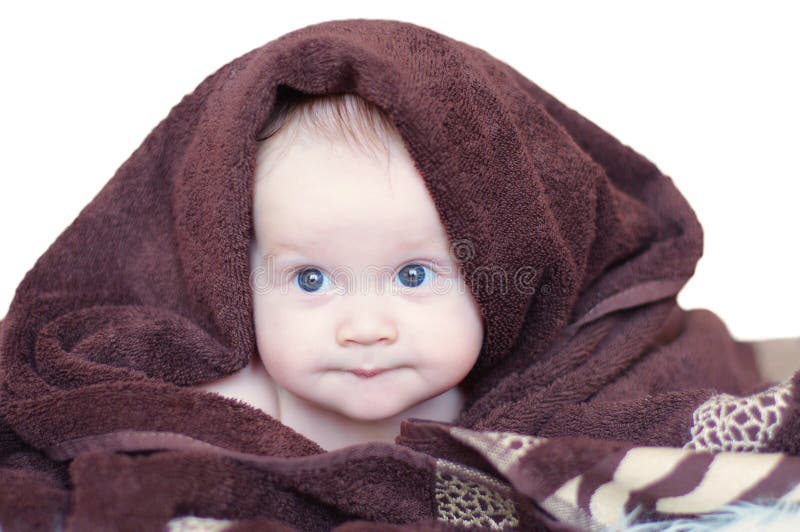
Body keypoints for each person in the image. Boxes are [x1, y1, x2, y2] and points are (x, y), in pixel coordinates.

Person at [196, 91, 484, 451]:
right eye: (311, 280)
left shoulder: (508, 413)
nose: (365, 330)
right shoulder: (239, 410)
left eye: (413, 275)